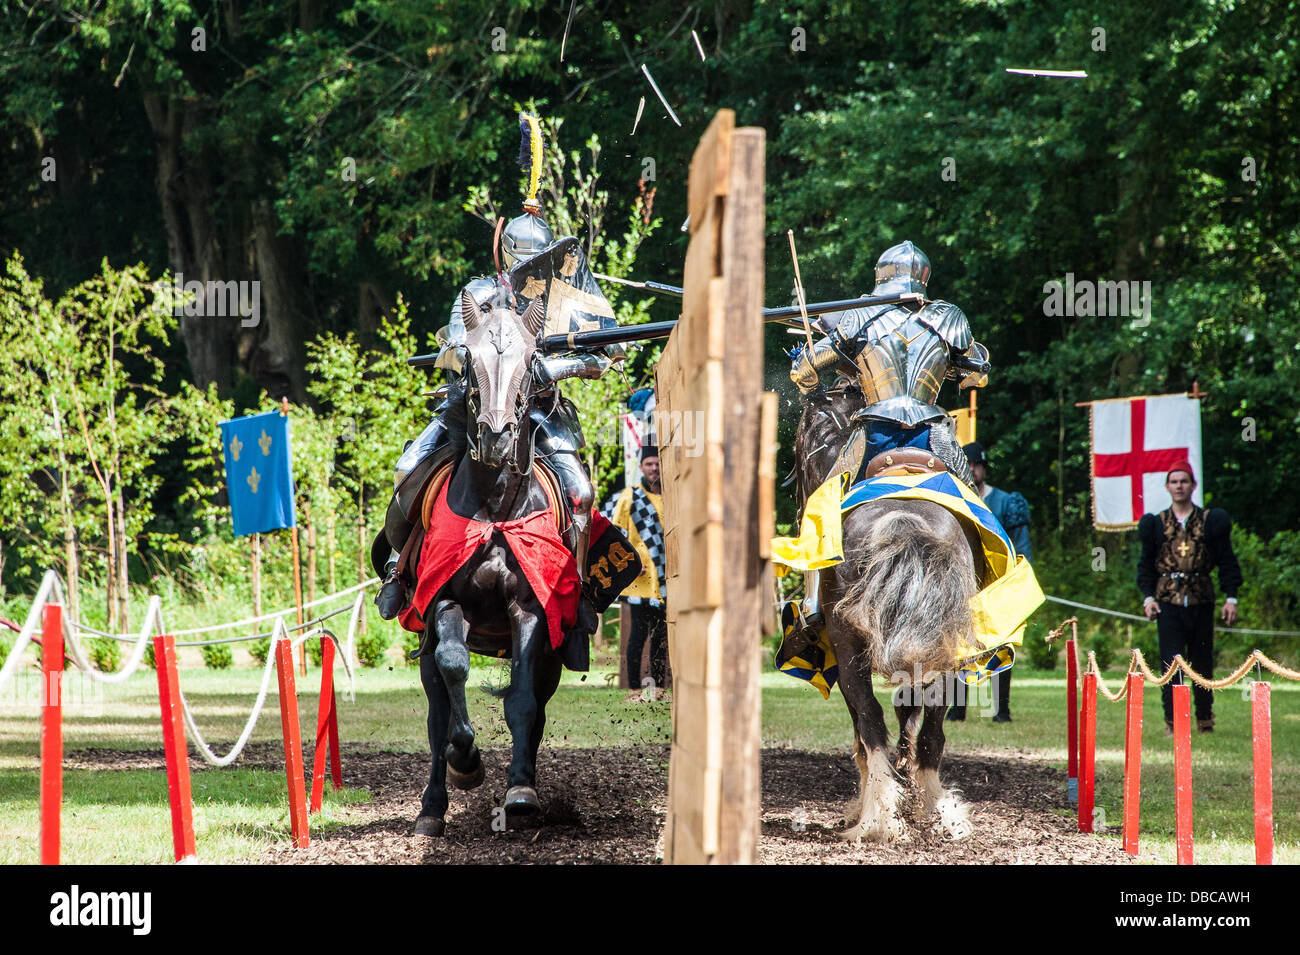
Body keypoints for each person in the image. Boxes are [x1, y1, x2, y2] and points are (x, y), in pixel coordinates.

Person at [788, 240, 990, 630]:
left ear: (881, 276)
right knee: (979, 512)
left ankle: (813, 604)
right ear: (924, 279)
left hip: (874, 436)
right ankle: (984, 607)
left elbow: (807, 370)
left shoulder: (860, 315)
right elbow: (978, 372)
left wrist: (807, 362)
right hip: (933, 437)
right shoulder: (949, 317)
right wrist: (950, 365)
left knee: (822, 508)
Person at [1137, 462, 1242, 735]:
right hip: (1168, 602)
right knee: (1171, 664)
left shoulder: (1210, 521)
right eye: (1174, 482)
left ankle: (1205, 720)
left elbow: (1227, 561)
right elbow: (1145, 565)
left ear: (1193, 485)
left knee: (1202, 662)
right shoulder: (1156, 524)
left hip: (1201, 600)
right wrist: (1148, 598)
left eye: (1184, 481)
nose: (1179, 486)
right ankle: (1173, 722)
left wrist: (1232, 598)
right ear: (1167, 487)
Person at [946, 441, 1033, 723]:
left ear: (983, 467)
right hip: (963, 584)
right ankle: (957, 710)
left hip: (999, 584)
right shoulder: (953, 501)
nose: (971, 470)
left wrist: (1019, 579)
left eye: (976, 465)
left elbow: (1022, 546)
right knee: (959, 648)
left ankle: (1002, 711)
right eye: (967, 465)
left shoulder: (1006, 502)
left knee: (1001, 646)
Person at [603, 446, 668, 698]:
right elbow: (616, 533)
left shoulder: (672, 498)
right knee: (637, 636)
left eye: (657, 464)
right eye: (649, 464)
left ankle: (659, 687)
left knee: (661, 636)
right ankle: (633, 688)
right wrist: (629, 562)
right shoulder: (630, 496)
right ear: (641, 467)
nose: (654, 468)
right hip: (639, 580)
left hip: (665, 580)